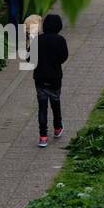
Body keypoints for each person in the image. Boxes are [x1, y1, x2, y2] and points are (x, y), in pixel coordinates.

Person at [33, 14, 68, 148]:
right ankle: (58, 127)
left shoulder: (38, 40)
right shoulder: (60, 40)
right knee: (55, 102)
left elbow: (30, 58)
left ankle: (43, 136)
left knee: (42, 106)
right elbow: (64, 57)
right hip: (55, 77)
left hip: (40, 77)